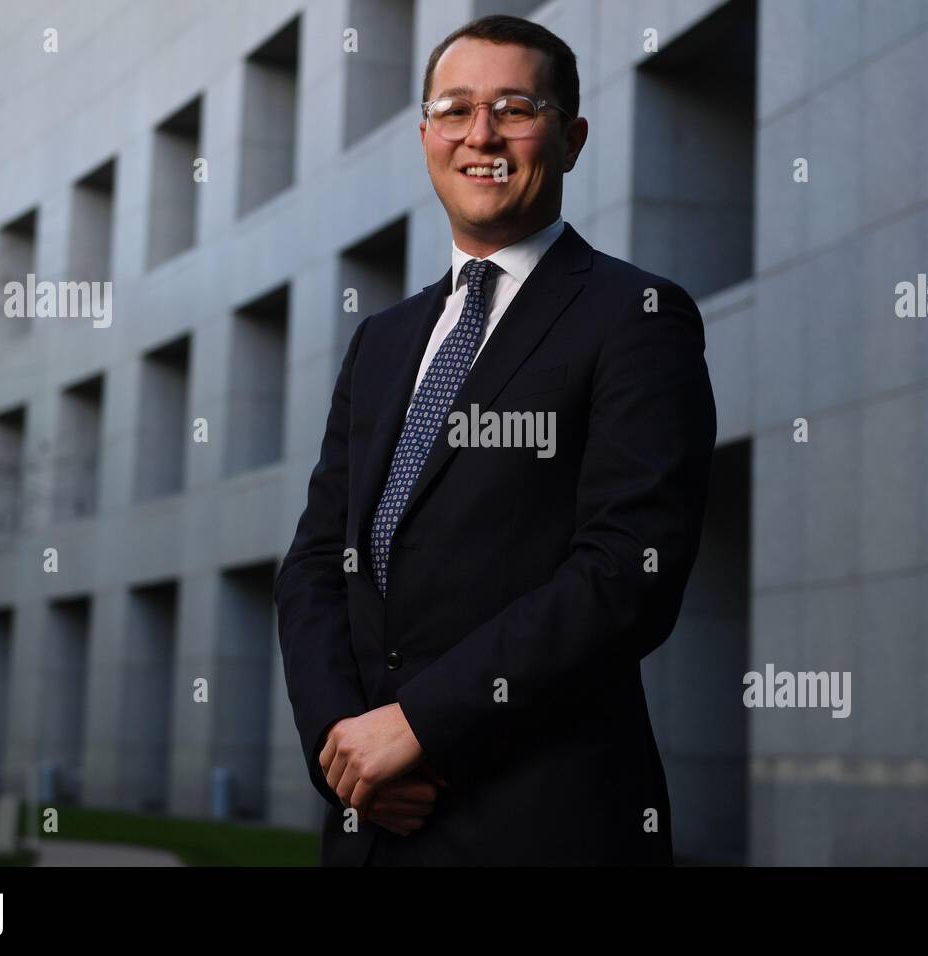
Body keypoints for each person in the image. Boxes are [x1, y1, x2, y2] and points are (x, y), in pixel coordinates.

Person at [275, 13, 717, 865]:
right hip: (375, 828)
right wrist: (344, 747)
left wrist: (420, 725)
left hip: (542, 827)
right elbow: (316, 564)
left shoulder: (637, 318)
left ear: (572, 137)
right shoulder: (382, 343)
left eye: (515, 107)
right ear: (426, 134)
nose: (482, 135)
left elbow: (629, 571)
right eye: (455, 109)